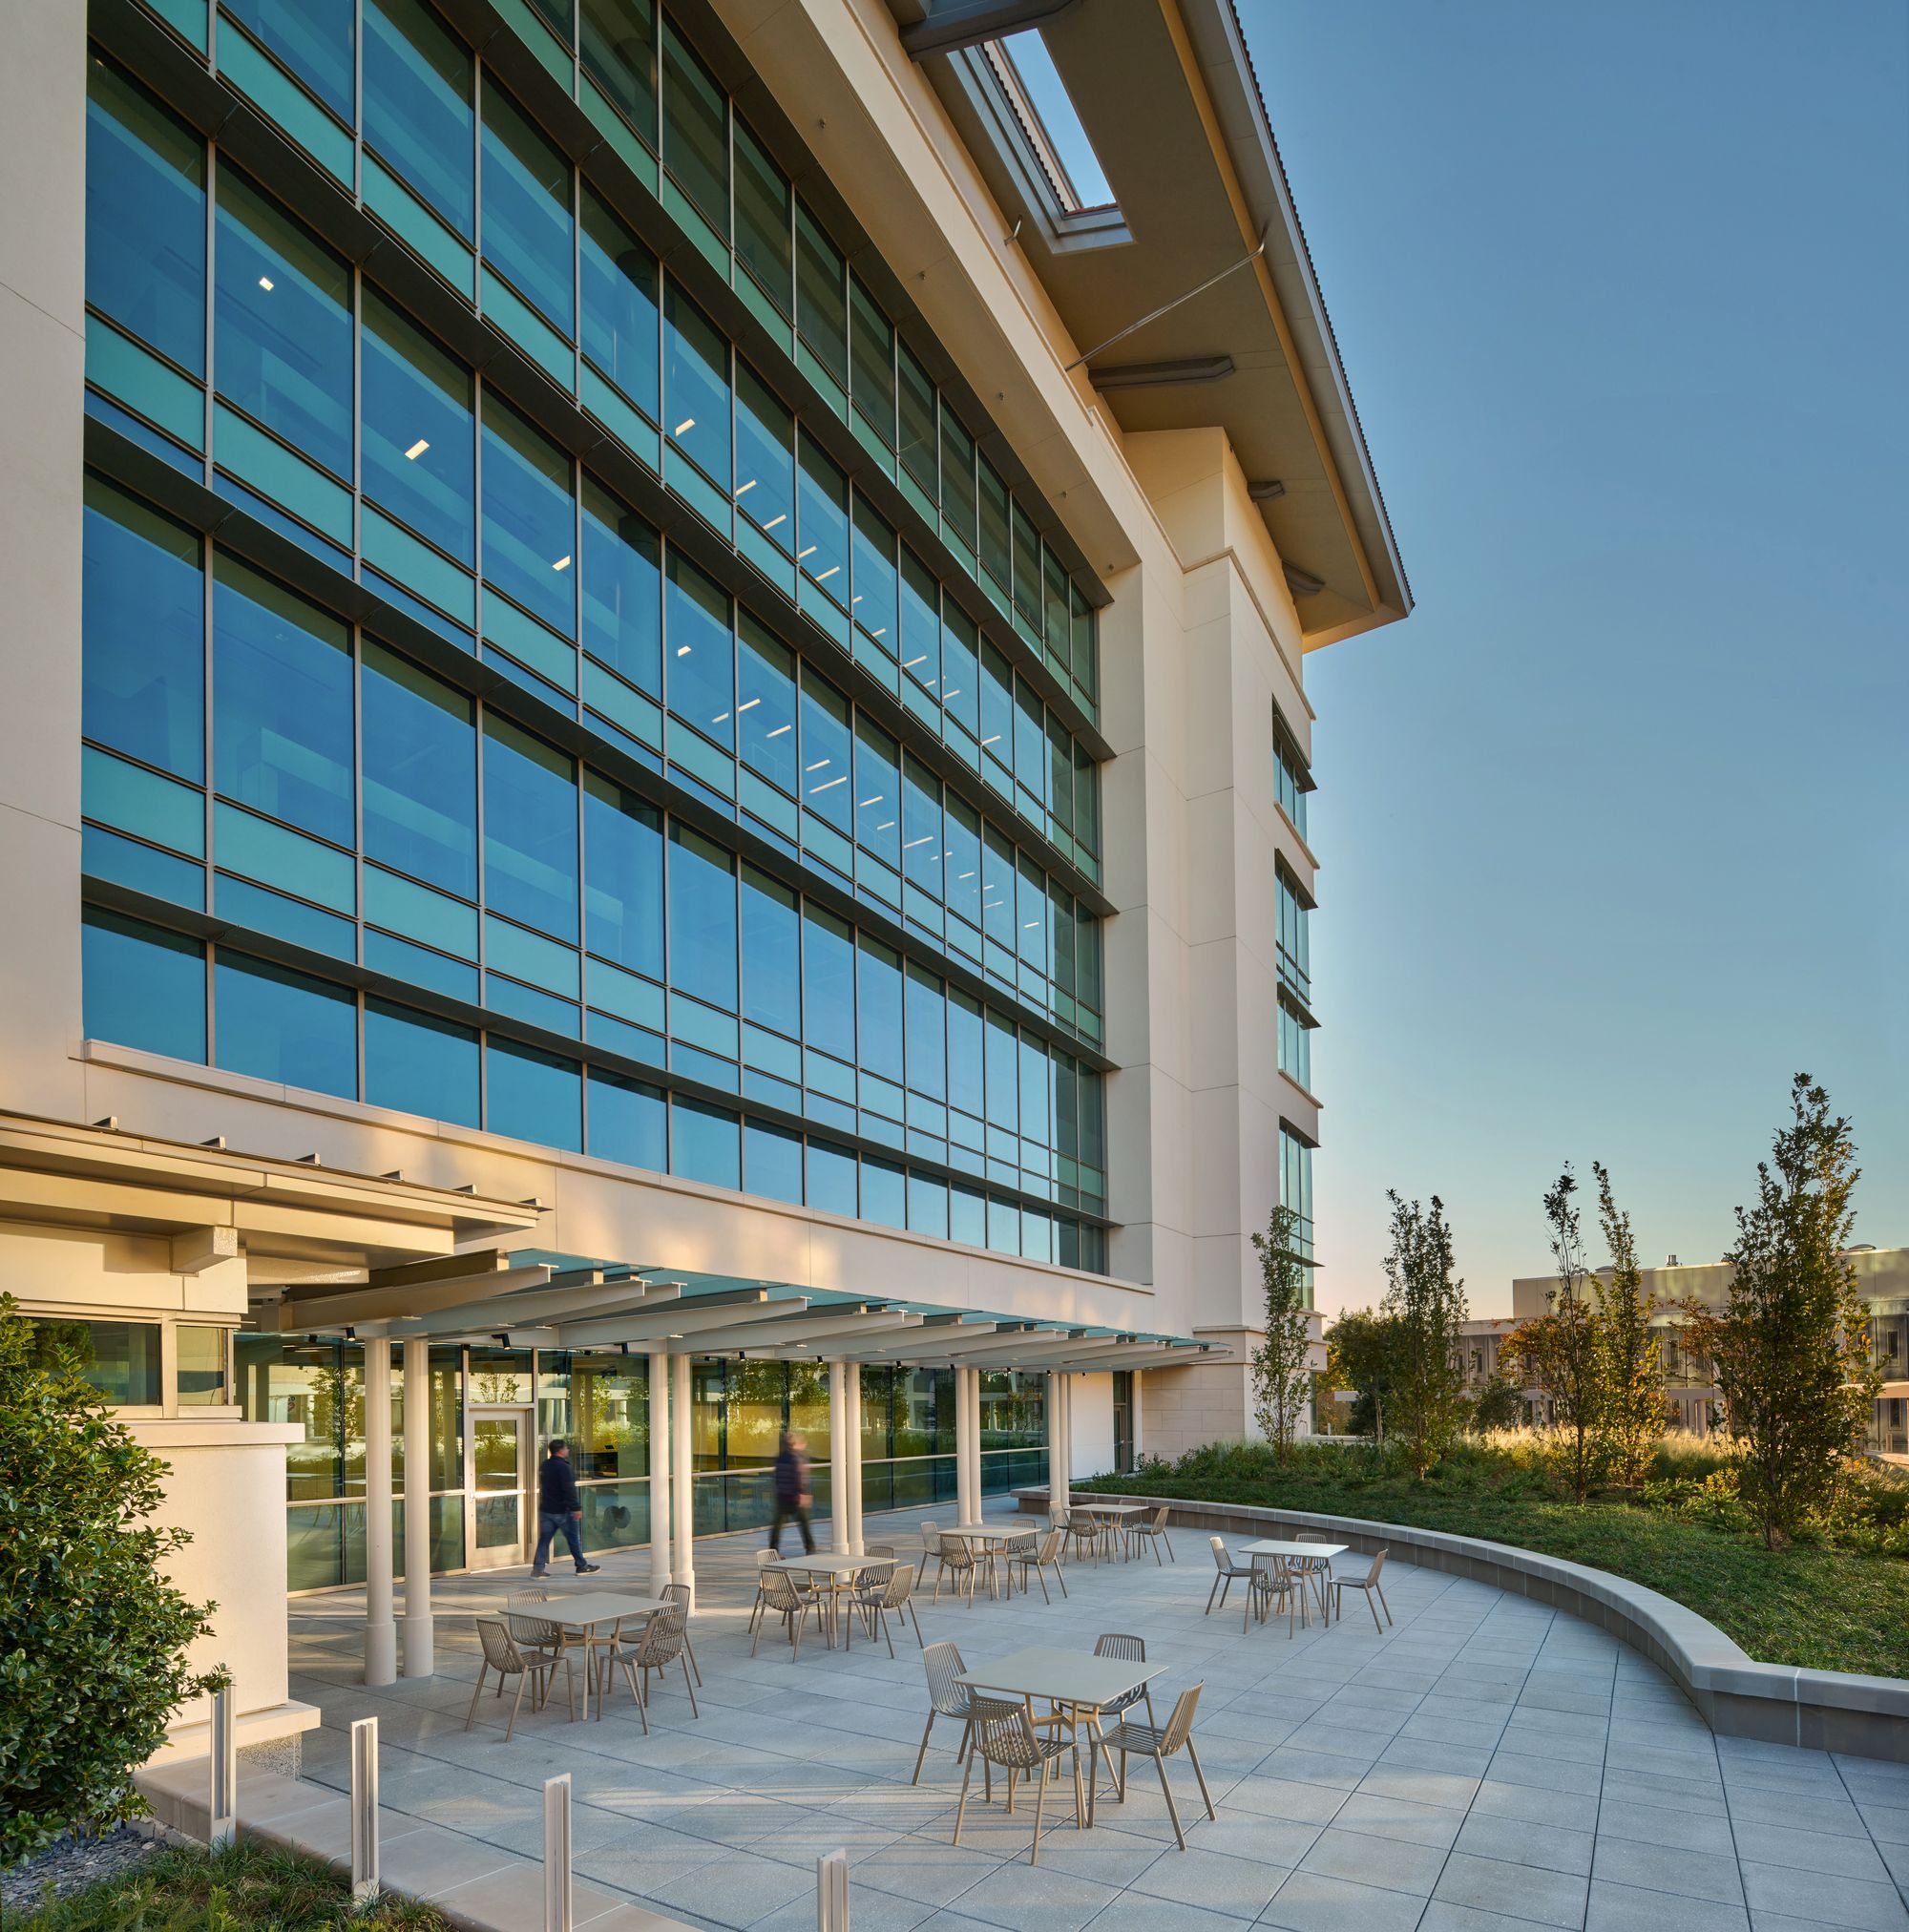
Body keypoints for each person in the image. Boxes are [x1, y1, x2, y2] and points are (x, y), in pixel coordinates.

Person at [532, 1440, 601, 1577]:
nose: (568, 1450)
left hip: (546, 1510)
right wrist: (576, 1508)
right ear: (560, 1451)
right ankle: (581, 1566)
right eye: (566, 1448)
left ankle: (538, 1569)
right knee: (573, 1539)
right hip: (563, 1511)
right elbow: (569, 1489)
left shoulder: (545, 1465)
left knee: (544, 1540)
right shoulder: (563, 1467)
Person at [767, 1429, 814, 1555]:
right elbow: (799, 1477)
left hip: (782, 1496)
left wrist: (779, 1490)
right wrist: (803, 1493)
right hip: (795, 1497)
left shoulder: (780, 1457)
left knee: (778, 1525)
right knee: (804, 1523)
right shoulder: (797, 1458)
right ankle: (810, 1548)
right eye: (802, 1443)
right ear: (795, 1444)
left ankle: (773, 1550)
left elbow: (776, 1477)